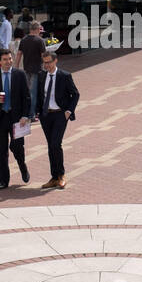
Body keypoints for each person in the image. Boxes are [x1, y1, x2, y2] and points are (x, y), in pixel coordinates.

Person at [0, 48, 33, 190]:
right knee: (0, 151)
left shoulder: (20, 74)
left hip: (17, 119)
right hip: (0, 118)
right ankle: (3, 180)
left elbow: (27, 97)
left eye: (10, 59)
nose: (8, 62)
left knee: (17, 147)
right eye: (5, 59)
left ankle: (22, 166)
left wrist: (25, 115)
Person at [37, 51, 79, 189]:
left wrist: (68, 111)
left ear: (56, 61)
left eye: (49, 62)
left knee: (55, 144)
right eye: (45, 62)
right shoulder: (41, 75)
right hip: (46, 116)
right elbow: (39, 94)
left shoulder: (64, 76)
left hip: (60, 115)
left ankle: (61, 175)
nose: (46, 65)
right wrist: (38, 111)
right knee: (50, 145)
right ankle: (54, 177)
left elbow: (75, 94)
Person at [15, 21, 48, 115]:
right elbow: (43, 56)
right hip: (36, 69)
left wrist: (16, 67)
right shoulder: (39, 40)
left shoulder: (24, 40)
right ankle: (31, 113)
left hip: (26, 69)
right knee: (33, 92)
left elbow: (19, 54)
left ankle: (28, 112)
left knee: (28, 92)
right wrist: (47, 66)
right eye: (39, 30)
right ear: (37, 29)